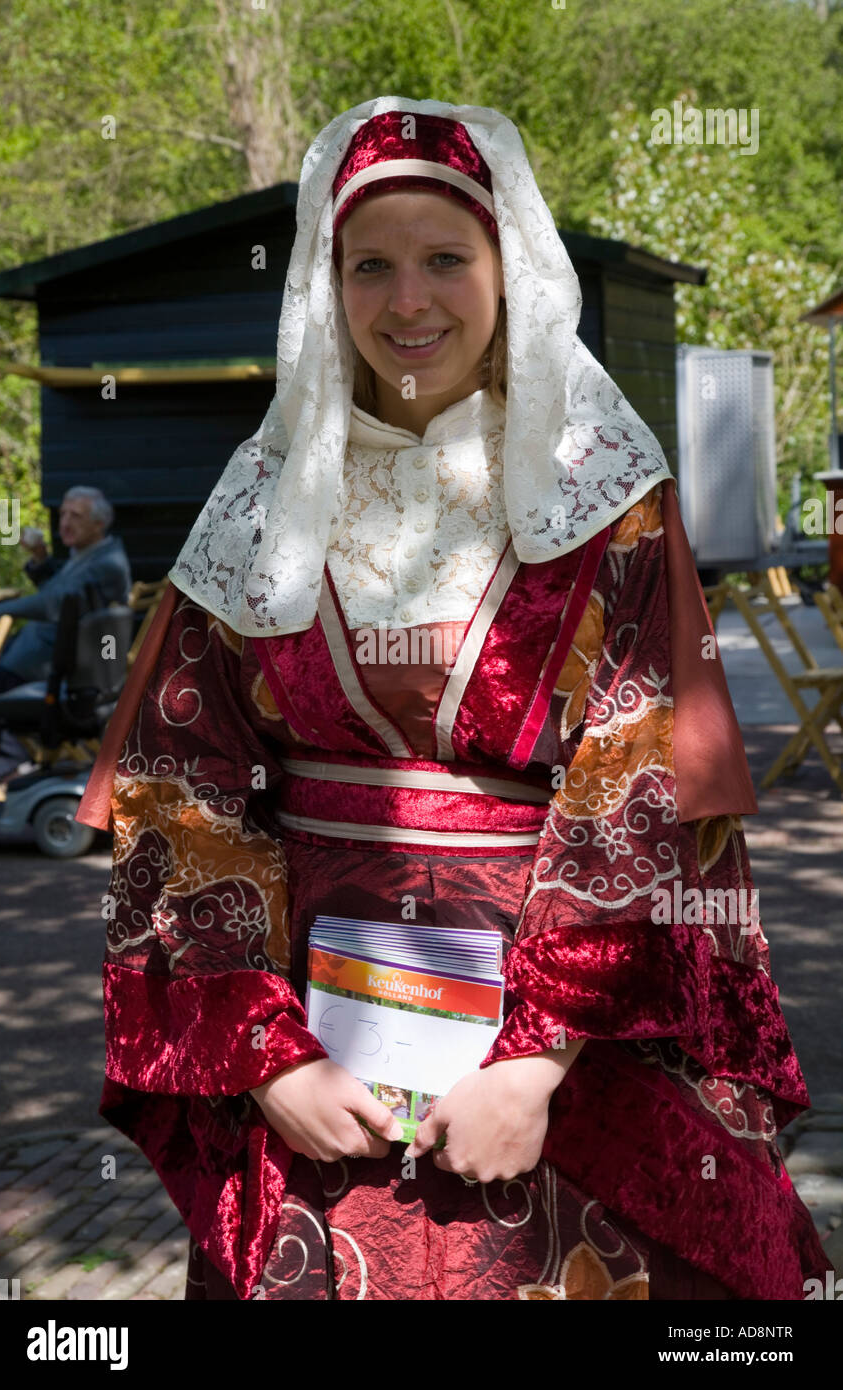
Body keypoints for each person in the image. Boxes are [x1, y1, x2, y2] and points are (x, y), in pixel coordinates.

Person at [77, 97, 833, 1301]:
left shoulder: (603, 495)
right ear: (327, 288)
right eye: (368, 266)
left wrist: (533, 1063)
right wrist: (265, 1056)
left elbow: (643, 780)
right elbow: (183, 787)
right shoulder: (265, 497)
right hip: (322, 1049)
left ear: (509, 269)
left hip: (555, 1054)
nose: (407, 301)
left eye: (444, 259)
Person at [0, 486, 131, 691]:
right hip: (32, 649)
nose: (65, 523)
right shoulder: (91, 554)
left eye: (75, 516)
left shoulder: (107, 564)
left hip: (44, 663)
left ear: (98, 524)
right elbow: (61, 588)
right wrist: (40, 557)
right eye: (63, 515)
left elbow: (56, 602)